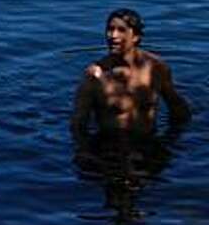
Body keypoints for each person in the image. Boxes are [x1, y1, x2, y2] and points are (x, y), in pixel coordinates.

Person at [70, 8, 192, 145]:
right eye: (110, 29)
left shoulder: (156, 68)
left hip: (149, 145)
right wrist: (85, 154)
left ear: (135, 36)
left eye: (121, 30)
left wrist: (174, 142)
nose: (113, 35)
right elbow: (78, 125)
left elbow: (177, 107)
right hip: (111, 148)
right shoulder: (95, 75)